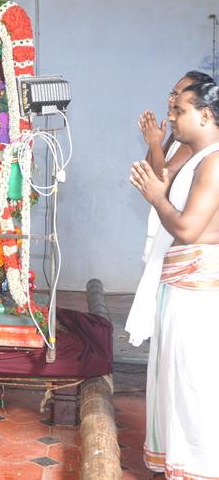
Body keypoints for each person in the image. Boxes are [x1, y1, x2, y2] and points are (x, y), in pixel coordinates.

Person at [128, 81, 219, 478]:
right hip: (181, 287)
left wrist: (156, 197)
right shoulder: (201, 159)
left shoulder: (214, 162)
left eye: (180, 110)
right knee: (175, 383)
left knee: (193, 386)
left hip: (197, 292)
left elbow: (186, 227)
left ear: (206, 114)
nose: (172, 117)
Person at [139, 71, 215, 262]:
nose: (172, 101)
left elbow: (162, 178)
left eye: (180, 108)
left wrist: (155, 143)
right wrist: (153, 144)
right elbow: (152, 175)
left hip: (194, 268)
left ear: (204, 113)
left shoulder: (202, 152)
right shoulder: (181, 137)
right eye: (172, 94)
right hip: (170, 231)